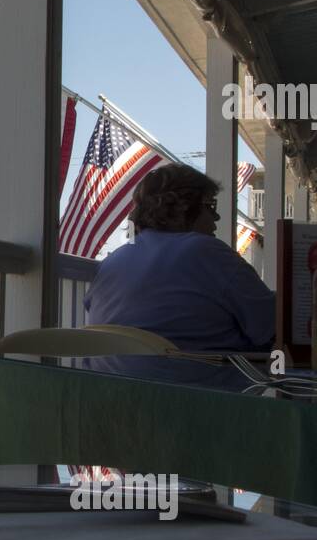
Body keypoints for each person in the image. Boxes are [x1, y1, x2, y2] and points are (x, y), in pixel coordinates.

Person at [83, 163, 275, 385]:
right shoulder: (206, 252)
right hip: (202, 405)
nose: (217, 217)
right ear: (184, 207)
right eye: (210, 205)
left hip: (110, 397)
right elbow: (270, 325)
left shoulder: (112, 261)